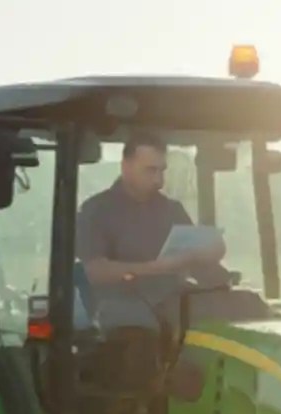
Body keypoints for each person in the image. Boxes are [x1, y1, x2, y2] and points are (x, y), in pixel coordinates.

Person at [75, 130, 225, 311]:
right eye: (150, 170)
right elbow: (96, 271)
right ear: (126, 167)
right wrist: (157, 268)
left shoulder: (172, 210)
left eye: (162, 171)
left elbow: (197, 261)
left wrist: (212, 251)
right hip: (120, 317)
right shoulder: (96, 211)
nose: (159, 181)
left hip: (176, 310)